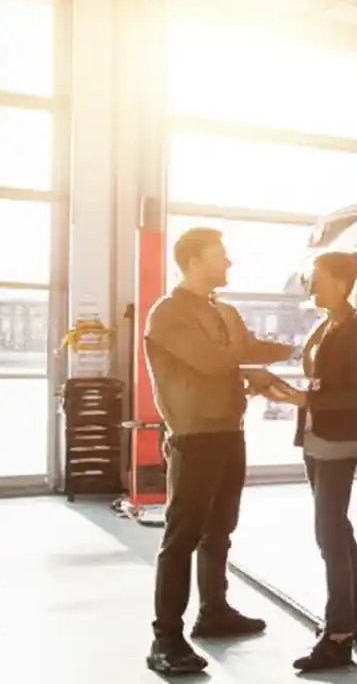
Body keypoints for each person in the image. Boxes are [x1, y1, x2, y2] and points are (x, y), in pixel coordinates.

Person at [143, 227, 295, 675]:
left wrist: (303, 350)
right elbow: (211, 361)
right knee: (181, 538)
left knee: (220, 530)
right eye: (219, 257)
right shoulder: (167, 314)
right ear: (193, 262)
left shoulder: (223, 311)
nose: (228, 264)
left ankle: (214, 612)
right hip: (193, 436)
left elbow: (242, 350)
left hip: (230, 430)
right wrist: (250, 363)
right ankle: (165, 639)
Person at [264, 251, 357, 672]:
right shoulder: (324, 327)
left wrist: (305, 399)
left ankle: (338, 636)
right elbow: (319, 380)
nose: (312, 286)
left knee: (328, 534)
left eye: (319, 279)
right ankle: (354, 620)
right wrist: (286, 392)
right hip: (315, 437)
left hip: (338, 441)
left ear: (342, 284)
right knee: (338, 530)